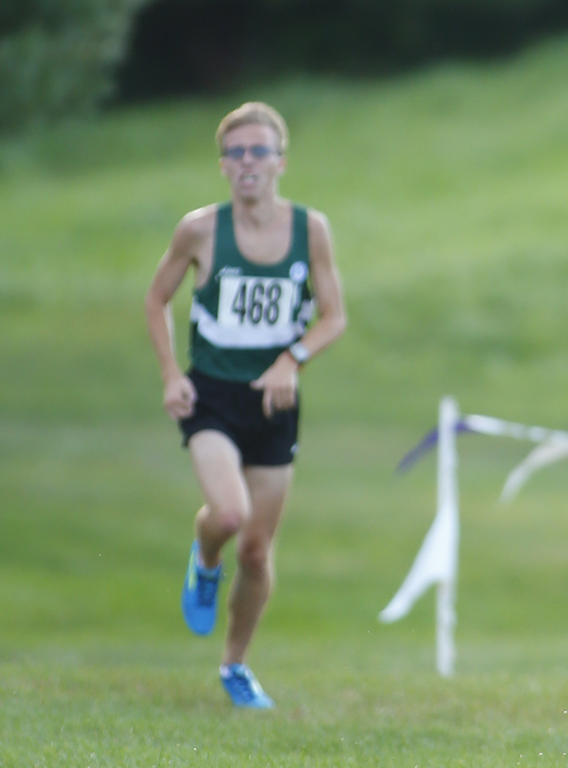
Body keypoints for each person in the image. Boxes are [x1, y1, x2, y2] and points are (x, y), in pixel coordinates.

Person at [143, 102, 348, 709]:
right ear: (223, 166)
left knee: (257, 549)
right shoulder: (199, 230)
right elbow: (156, 300)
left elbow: (334, 316)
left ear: (280, 161)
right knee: (227, 516)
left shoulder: (311, 229)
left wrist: (292, 359)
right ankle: (205, 558)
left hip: (275, 400)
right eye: (236, 153)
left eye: (259, 151)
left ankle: (235, 666)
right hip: (211, 395)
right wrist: (169, 374)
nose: (248, 163)